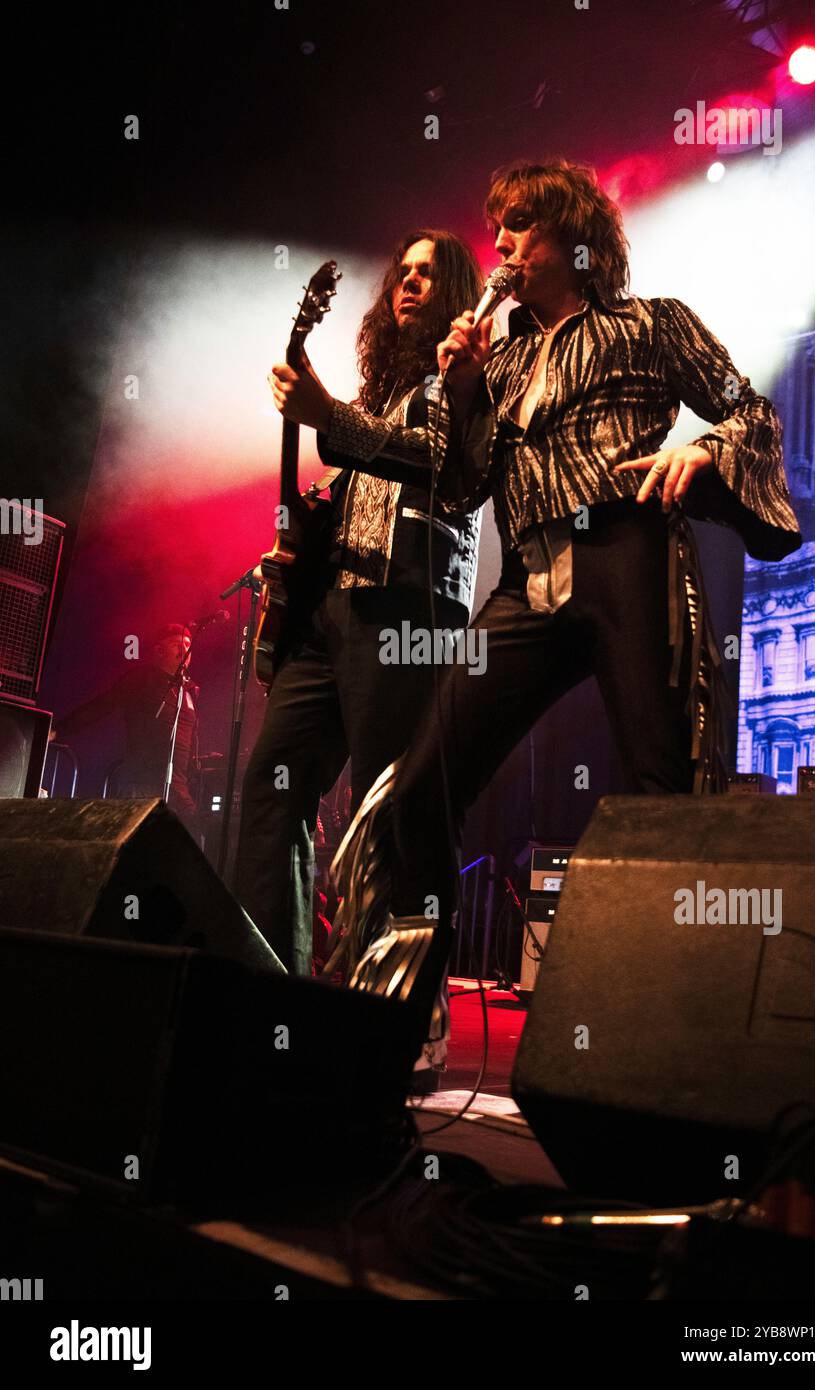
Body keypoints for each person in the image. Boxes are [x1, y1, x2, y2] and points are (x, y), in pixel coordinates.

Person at [272, 158, 804, 1038]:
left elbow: (753, 411)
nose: (504, 243)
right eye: (501, 227)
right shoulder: (504, 354)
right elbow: (456, 482)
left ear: (574, 236)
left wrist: (703, 451)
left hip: (625, 554)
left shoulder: (651, 324)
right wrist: (463, 389)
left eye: (522, 224)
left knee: (658, 791)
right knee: (421, 784)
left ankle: (674, 1032)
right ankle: (403, 1023)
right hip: (527, 582)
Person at [232, 229, 484, 984]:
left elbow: (444, 462)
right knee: (272, 785)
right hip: (332, 616)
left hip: (407, 610)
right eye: (402, 271)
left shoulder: (470, 375)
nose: (409, 283)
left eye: (428, 274)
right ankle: (265, 989)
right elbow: (363, 481)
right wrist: (305, 540)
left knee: (388, 808)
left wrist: (328, 416)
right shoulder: (383, 396)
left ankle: (398, 1015)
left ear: (457, 292)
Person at [52, 623, 201, 830]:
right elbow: (103, 705)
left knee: (191, 835)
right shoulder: (142, 680)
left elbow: (189, 739)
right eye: (177, 644)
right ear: (159, 651)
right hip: (140, 784)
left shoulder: (189, 691)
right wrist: (58, 730)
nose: (185, 650)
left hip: (177, 786)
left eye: (187, 644)